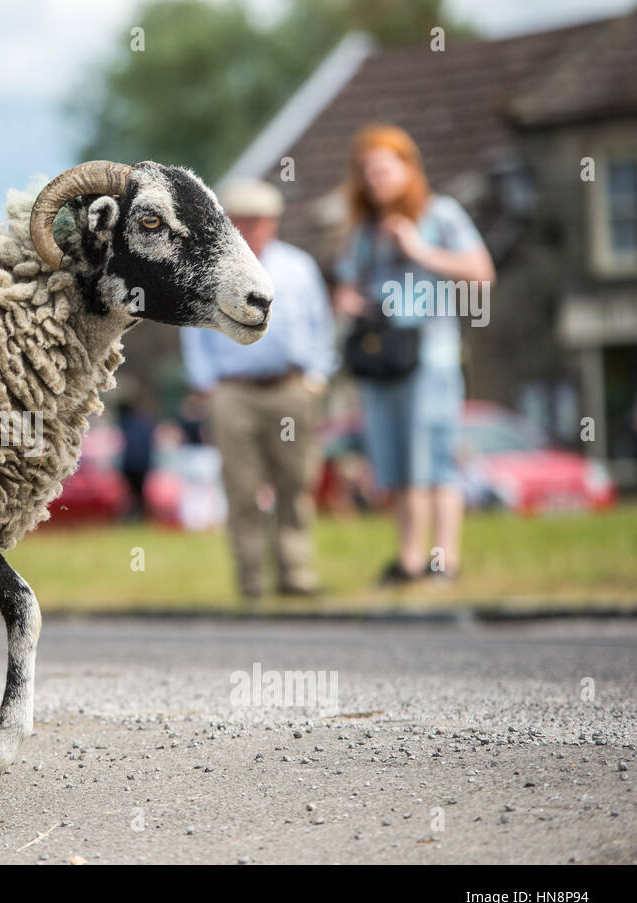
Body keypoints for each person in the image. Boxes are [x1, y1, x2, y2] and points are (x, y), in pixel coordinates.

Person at [332, 124, 495, 584]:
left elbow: (481, 274)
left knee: (435, 458)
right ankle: (408, 561)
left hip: (430, 355)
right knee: (395, 462)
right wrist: (345, 300)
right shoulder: (362, 232)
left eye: (384, 168)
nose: (375, 178)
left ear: (409, 169)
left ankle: (443, 560)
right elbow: (346, 285)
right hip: (380, 357)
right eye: (367, 171)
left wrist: (421, 250)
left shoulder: (440, 215)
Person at [180, 179, 336, 598]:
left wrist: (316, 377)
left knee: (296, 481)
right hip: (233, 391)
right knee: (242, 487)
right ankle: (251, 579)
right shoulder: (211, 266)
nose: (254, 228)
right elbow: (193, 331)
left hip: (290, 385)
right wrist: (207, 385)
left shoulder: (297, 266)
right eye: (244, 220)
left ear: (274, 222)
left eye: (261, 220)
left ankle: (297, 573)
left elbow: (321, 324)